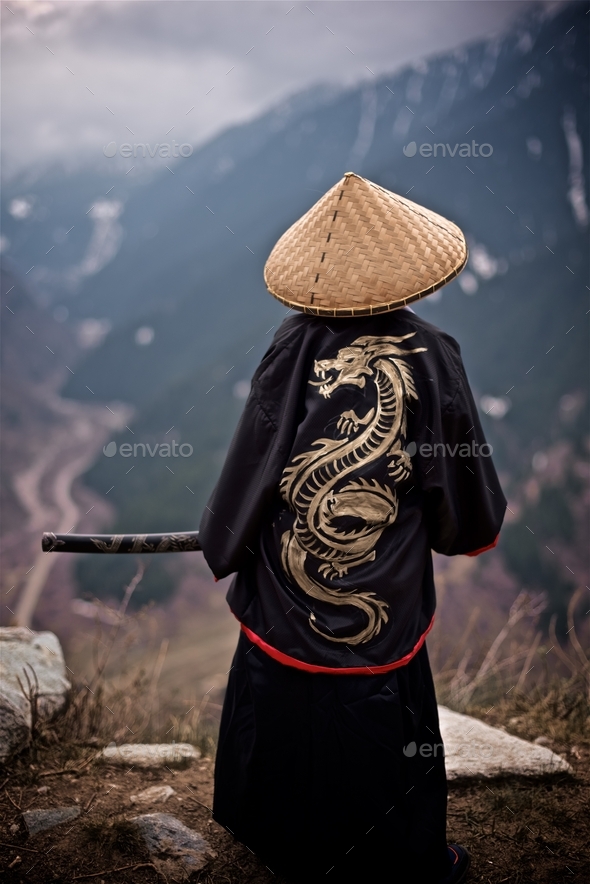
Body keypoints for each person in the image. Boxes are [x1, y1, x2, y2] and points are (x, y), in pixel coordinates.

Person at [199, 172, 506, 883]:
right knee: (377, 722)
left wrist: (228, 536)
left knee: (281, 701)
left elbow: (256, 460)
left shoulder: (292, 344)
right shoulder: (433, 353)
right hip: (381, 590)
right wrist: (463, 522)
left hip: (286, 577)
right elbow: (454, 480)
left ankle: (280, 837)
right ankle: (397, 854)